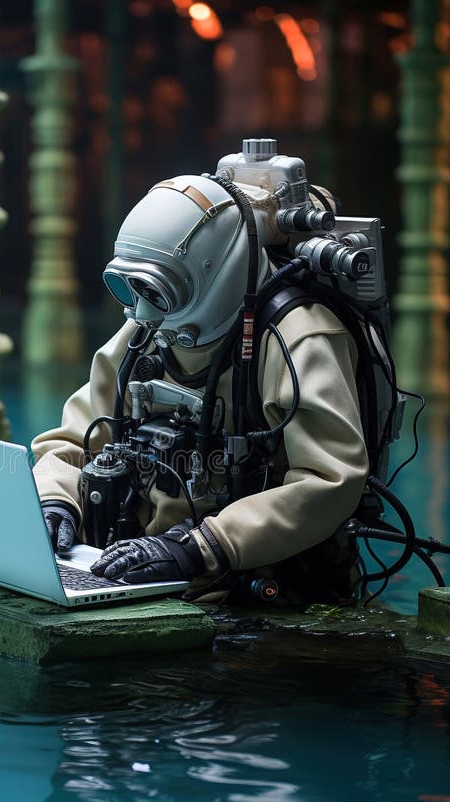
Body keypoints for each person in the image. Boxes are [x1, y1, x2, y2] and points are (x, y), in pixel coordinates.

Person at [30, 142, 376, 604]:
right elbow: (72, 442)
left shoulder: (299, 339)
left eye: (159, 289)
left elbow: (331, 482)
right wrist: (55, 500)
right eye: (128, 287)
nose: (143, 309)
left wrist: (203, 547)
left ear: (216, 271)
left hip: (259, 597)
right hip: (138, 578)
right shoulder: (149, 325)